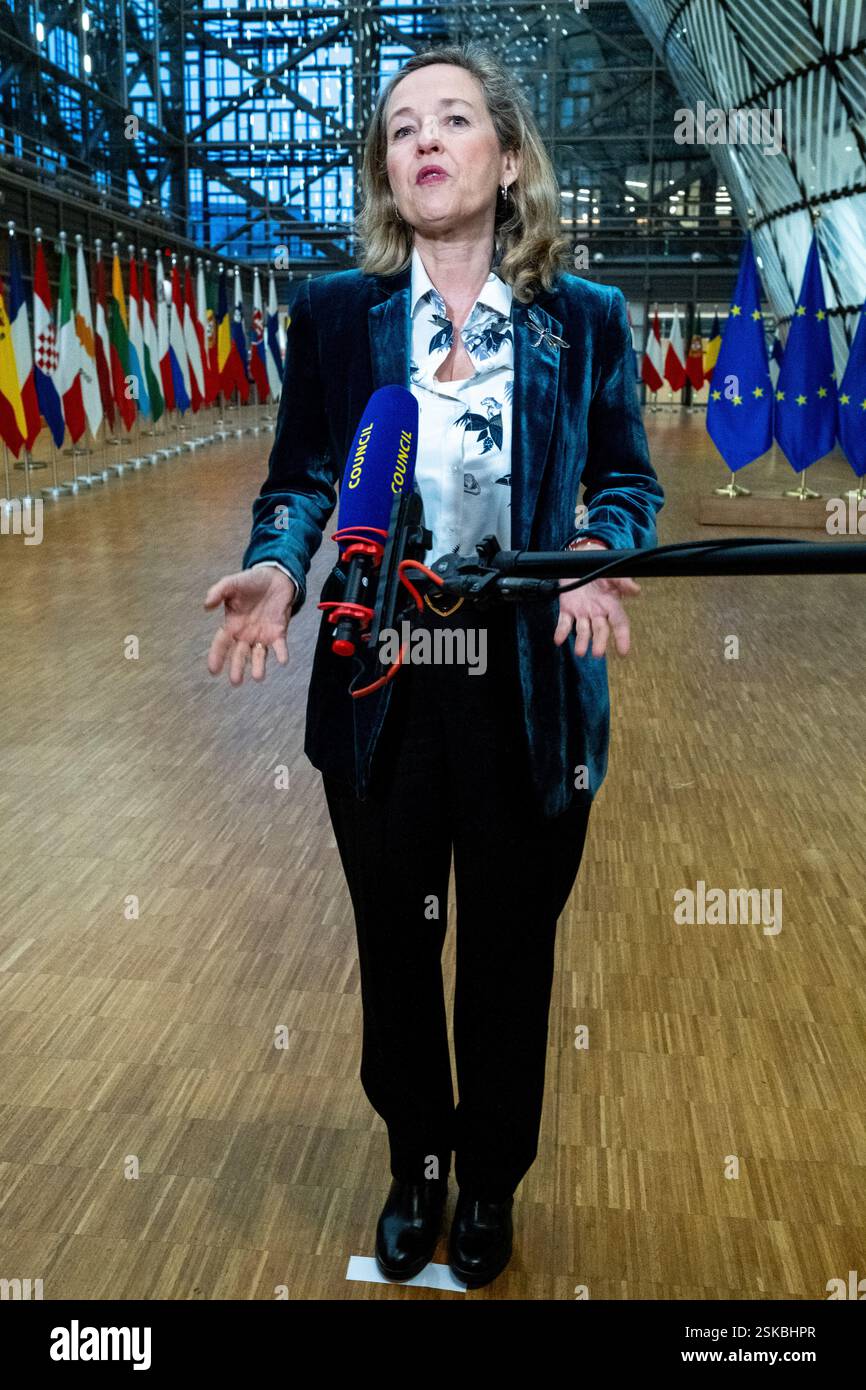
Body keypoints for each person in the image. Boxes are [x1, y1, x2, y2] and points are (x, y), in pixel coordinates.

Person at [205, 41, 664, 1290]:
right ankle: (415, 1162)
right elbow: (303, 479)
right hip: (382, 679)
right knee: (397, 948)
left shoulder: (583, 319)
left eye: (454, 119)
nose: (424, 140)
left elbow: (626, 481)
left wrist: (593, 550)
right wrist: (279, 569)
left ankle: (491, 1179)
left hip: (524, 682)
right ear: (386, 167)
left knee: (509, 953)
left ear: (507, 160)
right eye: (402, 125)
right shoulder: (334, 315)